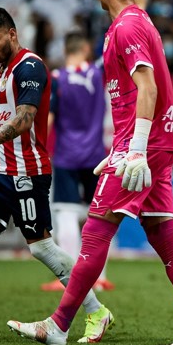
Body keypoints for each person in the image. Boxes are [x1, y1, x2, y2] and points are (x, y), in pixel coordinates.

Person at [7, 0, 173, 345]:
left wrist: (134, 150)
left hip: (145, 146)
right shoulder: (137, 23)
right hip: (150, 142)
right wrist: (122, 145)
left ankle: (59, 325)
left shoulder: (127, 27)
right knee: (162, 231)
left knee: (97, 226)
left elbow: (148, 88)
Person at [0, 9, 112, 344]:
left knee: (41, 248)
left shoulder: (30, 67)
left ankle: (96, 311)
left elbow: (25, 119)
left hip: (26, 172)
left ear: (12, 33)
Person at [42, 31, 114, 293]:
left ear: (65, 50)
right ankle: (101, 277)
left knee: (67, 215)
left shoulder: (57, 79)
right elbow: (115, 54)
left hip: (66, 157)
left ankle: (70, 277)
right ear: (85, 47)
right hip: (97, 157)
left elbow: (48, 117)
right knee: (101, 217)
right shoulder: (97, 73)